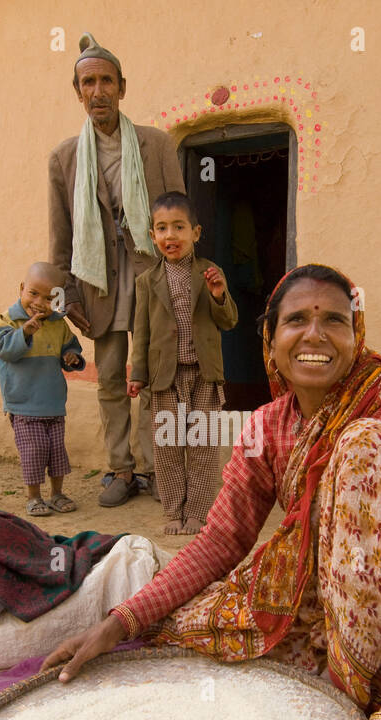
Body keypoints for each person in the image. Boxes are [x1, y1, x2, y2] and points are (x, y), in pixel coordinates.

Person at [42, 264, 381, 720]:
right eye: (296, 320)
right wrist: (121, 621)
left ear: (358, 335)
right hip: (330, 595)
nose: (316, 335)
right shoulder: (267, 426)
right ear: (271, 343)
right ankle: (355, 672)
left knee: (362, 443)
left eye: (335, 320)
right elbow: (222, 541)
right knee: (192, 630)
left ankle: (377, 687)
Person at [48, 33, 186, 507]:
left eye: (107, 80)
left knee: (153, 377)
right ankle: (121, 470)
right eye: (89, 82)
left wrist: (181, 280)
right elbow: (61, 233)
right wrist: (66, 296)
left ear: (122, 87)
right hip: (98, 284)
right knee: (110, 378)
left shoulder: (157, 145)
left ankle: (154, 469)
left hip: (152, 279)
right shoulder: (64, 158)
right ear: (78, 92)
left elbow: (177, 217)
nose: (98, 90)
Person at [129, 192, 239, 535]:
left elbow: (229, 320)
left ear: (196, 232)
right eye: (161, 228)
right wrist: (137, 374)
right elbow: (142, 332)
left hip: (203, 376)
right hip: (165, 378)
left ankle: (198, 512)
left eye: (179, 227)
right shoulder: (146, 282)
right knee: (168, 448)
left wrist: (219, 294)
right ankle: (173, 512)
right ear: (152, 236)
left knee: (203, 447)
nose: (170, 236)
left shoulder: (210, 273)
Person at [0, 262, 86, 517]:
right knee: (33, 451)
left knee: (56, 451)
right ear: (22, 288)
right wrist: (24, 332)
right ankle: (34, 497)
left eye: (49, 297)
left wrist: (71, 357)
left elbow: (71, 347)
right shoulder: (10, 319)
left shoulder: (58, 324)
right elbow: (3, 349)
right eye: (33, 293)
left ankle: (57, 494)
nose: (40, 302)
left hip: (53, 401)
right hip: (23, 403)